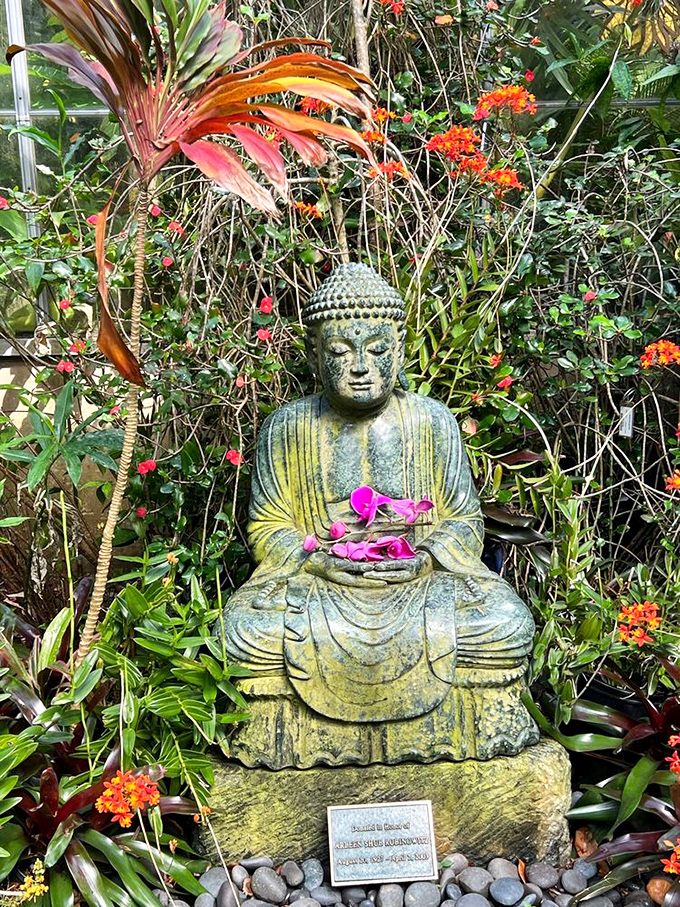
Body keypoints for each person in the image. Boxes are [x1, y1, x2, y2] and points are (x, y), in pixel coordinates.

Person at [221, 263, 537, 767]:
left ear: (400, 350)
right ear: (313, 357)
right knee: (243, 633)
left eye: (376, 350)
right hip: (321, 583)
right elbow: (267, 525)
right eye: (341, 353)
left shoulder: (432, 422)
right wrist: (318, 561)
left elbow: (463, 520)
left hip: (421, 583)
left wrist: (425, 558)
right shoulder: (287, 427)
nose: (360, 367)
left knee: (506, 624)